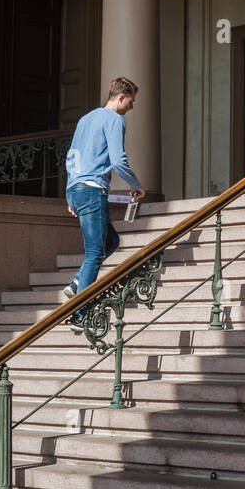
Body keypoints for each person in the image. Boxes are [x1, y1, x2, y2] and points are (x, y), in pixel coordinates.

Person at [61, 77, 145, 330]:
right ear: (121, 97)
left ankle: (77, 282)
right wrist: (135, 184)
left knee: (112, 242)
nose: (132, 106)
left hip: (77, 188)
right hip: (92, 189)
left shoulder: (85, 119)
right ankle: (79, 315)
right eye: (131, 101)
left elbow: (72, 156)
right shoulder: (114, 120)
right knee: (95, 253)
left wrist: (69, 194)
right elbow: (118, 160)